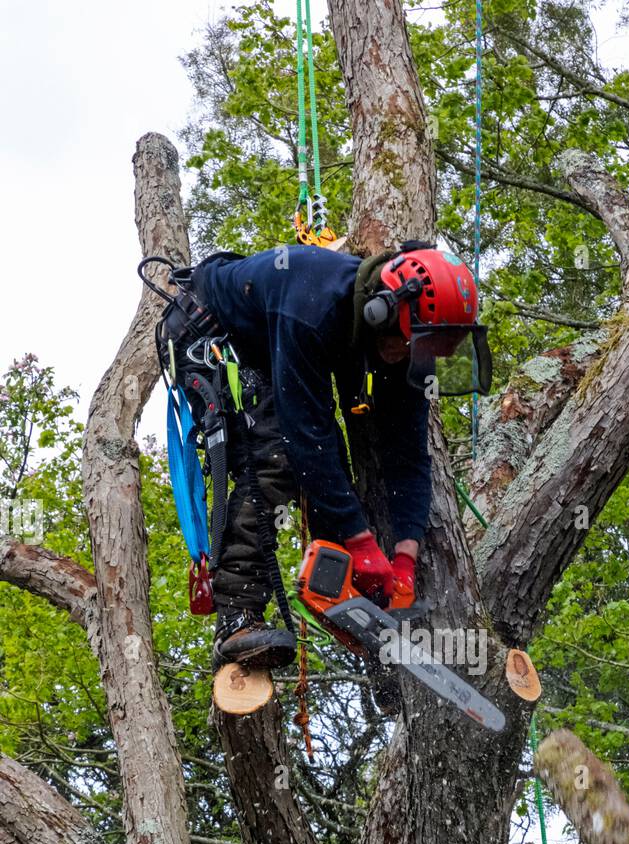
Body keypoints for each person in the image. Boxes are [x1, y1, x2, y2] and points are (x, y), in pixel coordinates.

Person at [171, 240, 490, 669]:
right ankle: (237, 617)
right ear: (381, 311)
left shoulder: (408, 337)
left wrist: (403, 559)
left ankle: (370, 640)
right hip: (209, 328)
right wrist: (360, 543)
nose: (417, 357)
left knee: (331, 468)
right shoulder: (313, 307)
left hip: (275, 346)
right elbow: (306, 436)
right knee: (278, 451)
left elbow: (410, 458)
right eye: (414, 345)